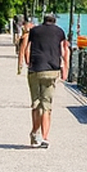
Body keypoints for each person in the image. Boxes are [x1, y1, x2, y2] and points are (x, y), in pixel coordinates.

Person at [20, 13, 70, 148]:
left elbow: (27, 49)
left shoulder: (34, 31)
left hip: (35, 70)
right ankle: (45, 138)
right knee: (46, 105)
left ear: (44, 21)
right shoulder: (60, 32)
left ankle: (35, 133)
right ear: (54, 21)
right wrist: (65, 68)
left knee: (36, 104)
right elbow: (64, 50)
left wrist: (28, 62)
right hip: (51, 71)